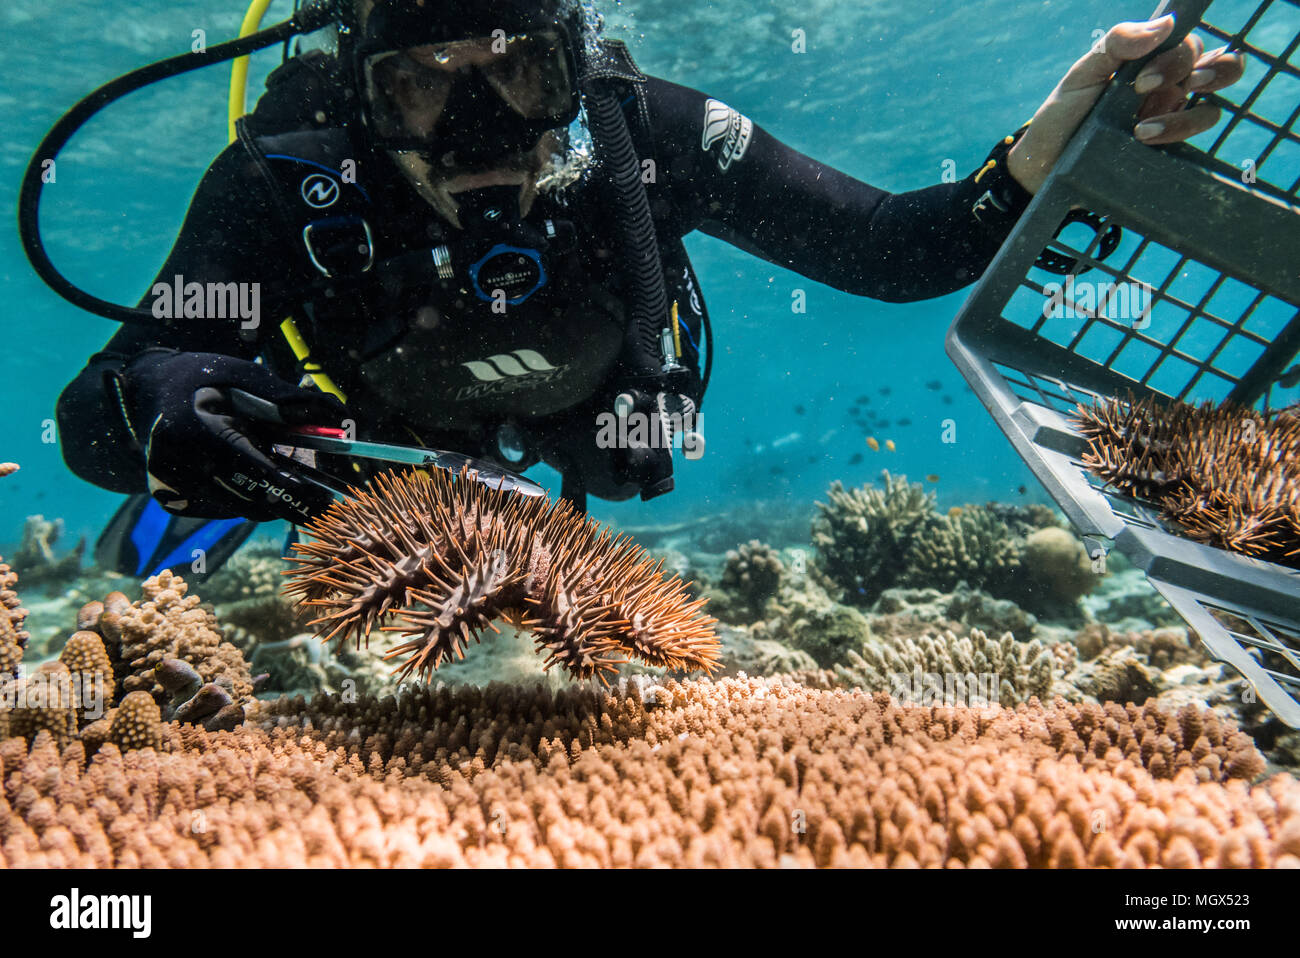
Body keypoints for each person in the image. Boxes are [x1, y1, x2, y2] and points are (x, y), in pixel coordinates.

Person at [56, 0, 1243, 534]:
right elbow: (100, 412)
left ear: (576, 71)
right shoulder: (284, 180)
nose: (479, 132)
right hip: (368, 468)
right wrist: (159, 410)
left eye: (520, 75)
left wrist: (1041, 160)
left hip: (589, 441)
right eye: (422, 86)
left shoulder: (648, 137)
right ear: (366, 103)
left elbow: (896, 251)